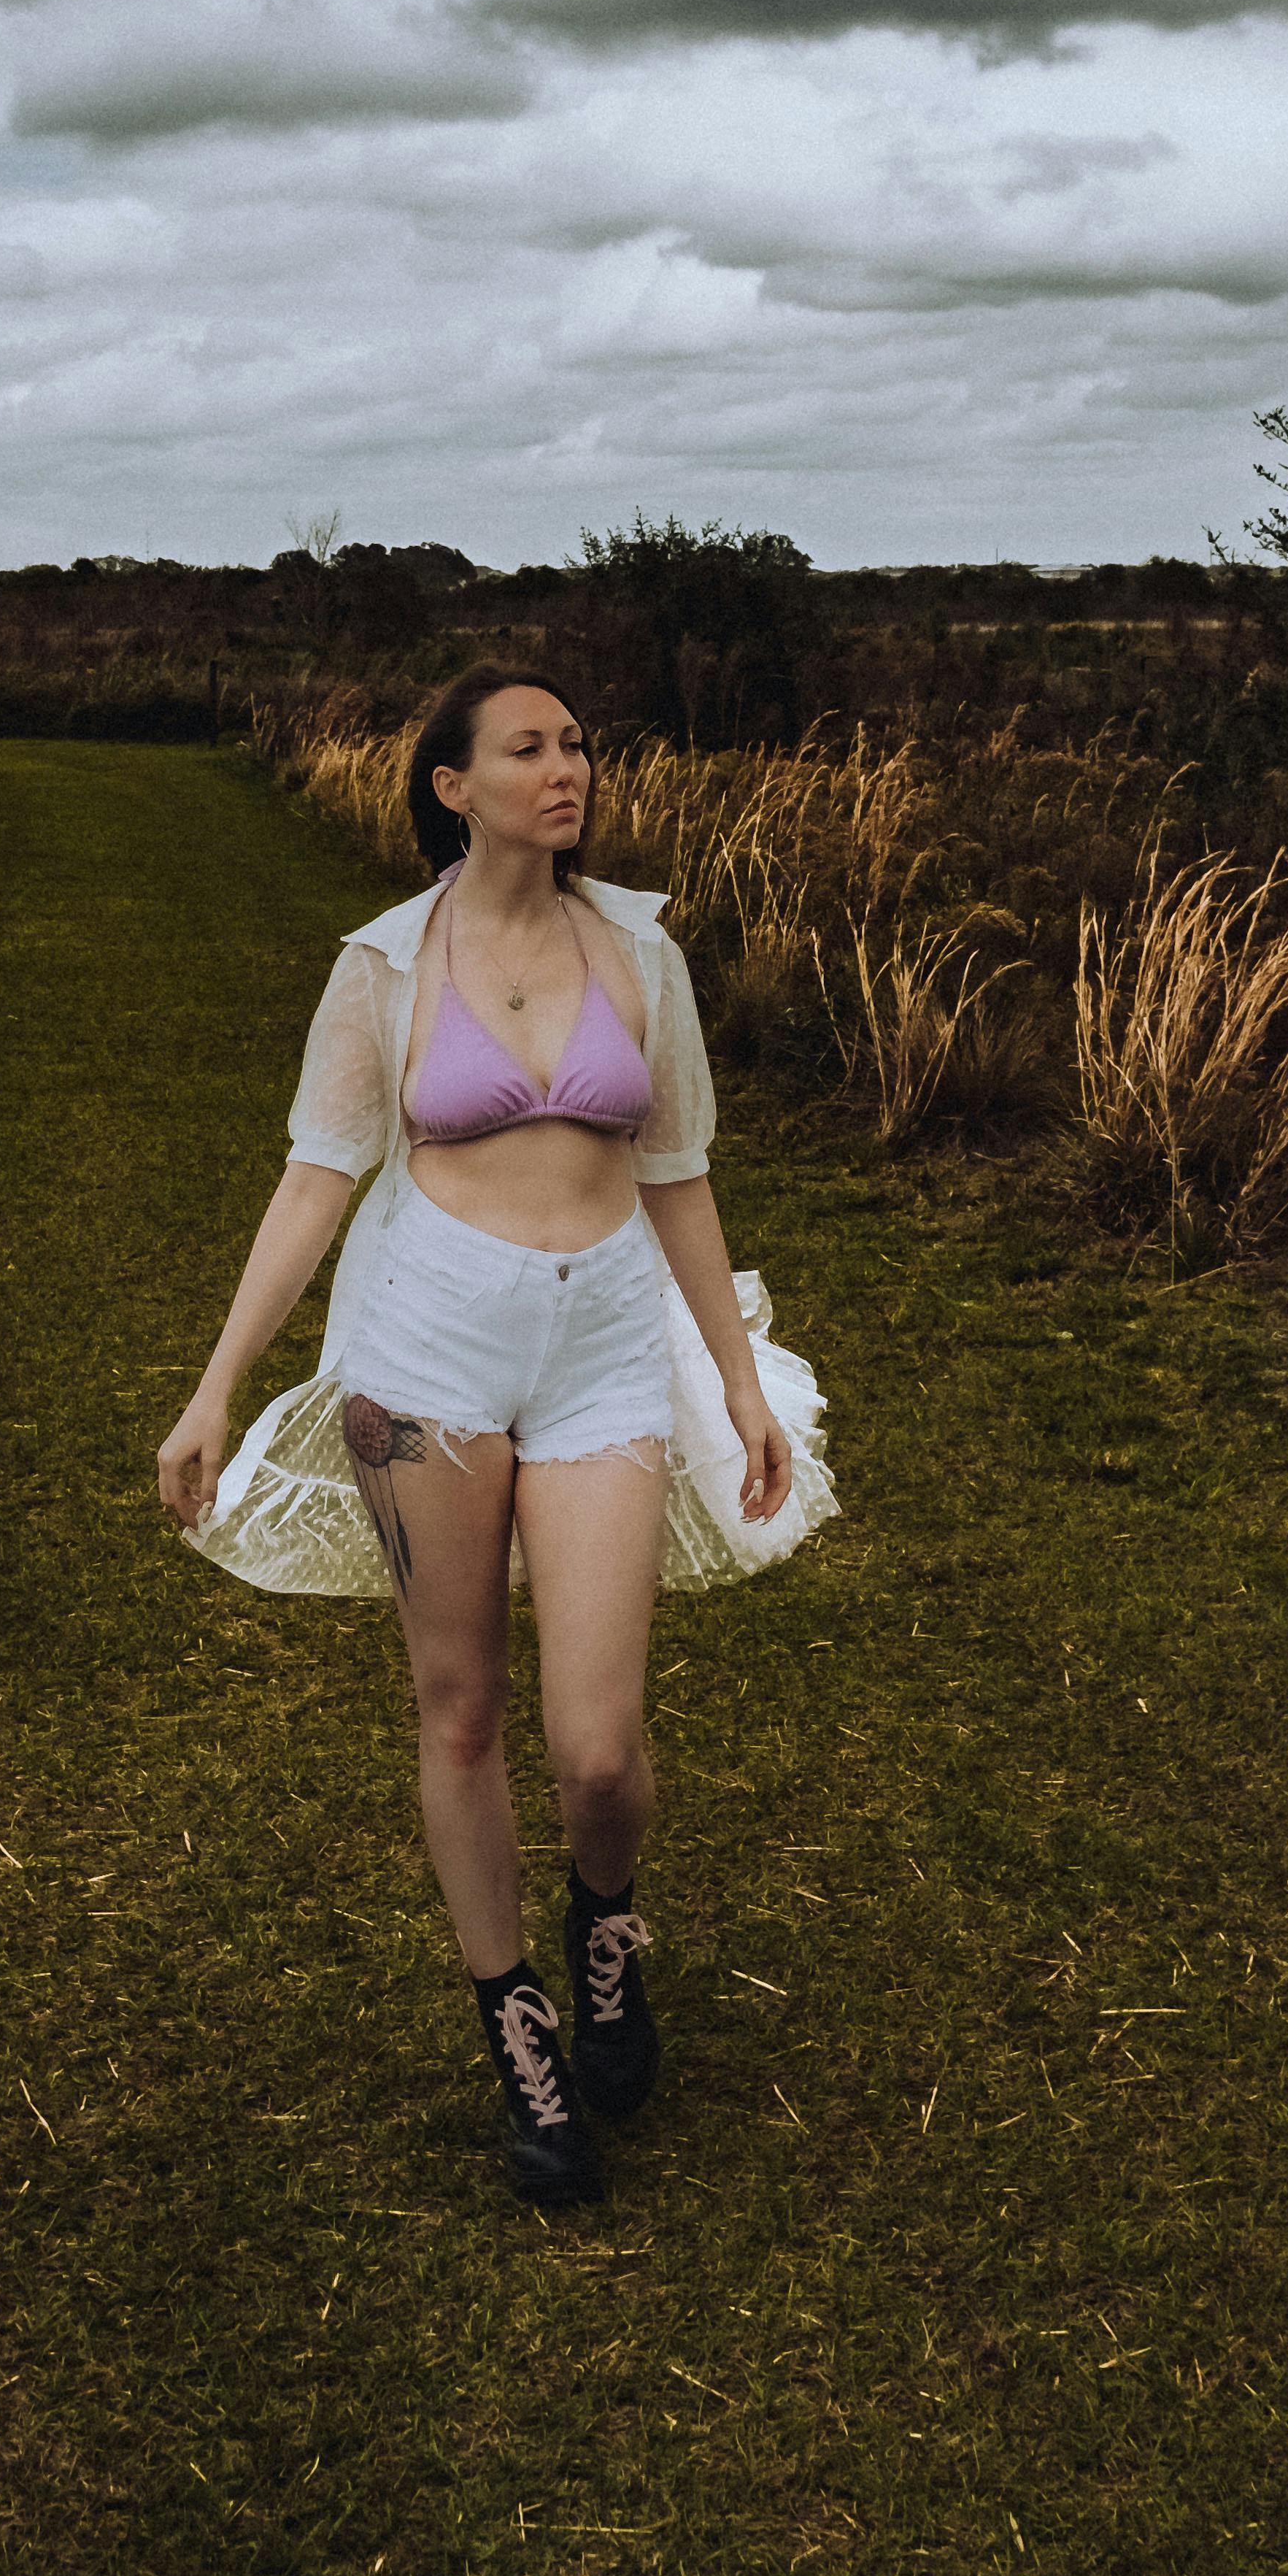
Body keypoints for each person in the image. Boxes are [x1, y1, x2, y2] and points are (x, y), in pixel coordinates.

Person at [157, 666, 833, 2212]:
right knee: (456, 1713)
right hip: (423, 1361)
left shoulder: (638, 952)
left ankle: (606, 1932)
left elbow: (676, 1174)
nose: (565, 768)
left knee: (596, 1751)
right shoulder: (384, 969)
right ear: (450, 786)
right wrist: (213, 1390)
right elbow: (316, 1181)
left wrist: (732, 1383)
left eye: (576, 744)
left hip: (599, 1350)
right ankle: (516, 2029)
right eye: (527, 748)